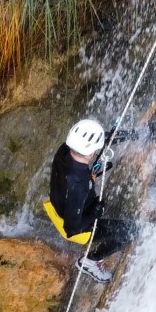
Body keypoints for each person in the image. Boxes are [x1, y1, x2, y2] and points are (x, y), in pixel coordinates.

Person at [44, 117, 135, 283]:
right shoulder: (78, 186)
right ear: (92, 153)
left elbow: (104, 140)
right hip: (78, 226)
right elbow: (71, 228)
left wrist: (132, 135)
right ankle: (90, 261)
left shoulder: (65, 150)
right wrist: (94, 213)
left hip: (59, 204)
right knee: (131, 231)